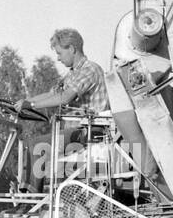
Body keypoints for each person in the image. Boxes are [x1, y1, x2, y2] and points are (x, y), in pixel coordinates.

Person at [15, 28, 109, 190]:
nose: (58, 59)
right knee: (32, 145)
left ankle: (30, 195)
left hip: (89, 132)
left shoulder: (90, 70)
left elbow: (65, 97)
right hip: (77, 131)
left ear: (72, 49)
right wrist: (24, 101)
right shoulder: (72, 74)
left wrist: (31, 105)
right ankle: (28, 189)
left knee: (38, 145)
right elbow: (52, 94)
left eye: (59, 53)